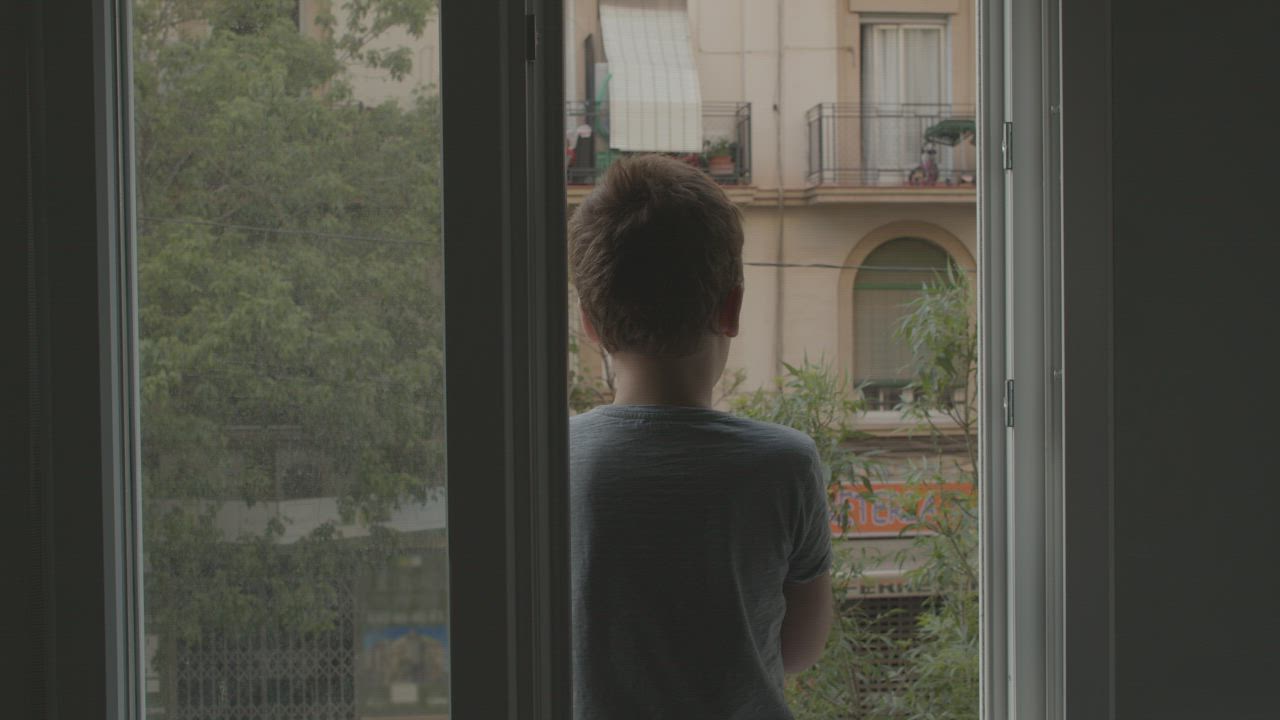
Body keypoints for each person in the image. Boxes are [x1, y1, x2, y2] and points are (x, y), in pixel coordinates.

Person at [568, 154, 834, 719]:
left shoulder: (549, 460)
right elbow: (801, 647)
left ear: (589, 325)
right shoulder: (785, 464)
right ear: (731, 308)